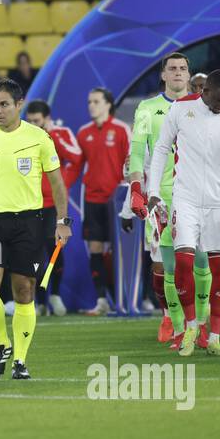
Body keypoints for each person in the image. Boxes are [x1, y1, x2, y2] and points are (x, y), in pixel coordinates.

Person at [0, 79, 72, 380]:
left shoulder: (39, 138)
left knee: (24, 290)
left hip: (29, 223)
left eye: (4, 104)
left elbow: (57, 183)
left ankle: (20, 360)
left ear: (19, 104)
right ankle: (1, 343)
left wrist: (62, 221)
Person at [146, 70, 220, 357]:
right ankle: (191, 327)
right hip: (186, 198)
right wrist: (153, 190)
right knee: (182, 260)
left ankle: (214, 337)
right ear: (206, 92)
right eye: (218, 100)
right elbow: (161, 149)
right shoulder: (181, 109)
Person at [122, 52, 205, 344]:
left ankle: (199, 323)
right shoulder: (147, 108)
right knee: (162, 266)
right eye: (172, 69)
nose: (178, 73)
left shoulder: (201, 106)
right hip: (161, 199)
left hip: (196, 195)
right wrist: (135, 189)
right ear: (163, 75)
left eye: (183, 68)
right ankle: (171, 317)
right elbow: (136, 151)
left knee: (196, 263)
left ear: (189, 73)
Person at [23, 99, 82, 316]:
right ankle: (39, 301)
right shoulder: (23, 136)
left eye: (37, 121)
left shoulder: (61, 133)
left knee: (54, 249)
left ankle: (55, 295)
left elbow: (75, 157)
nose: (33, 125)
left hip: (53, 205)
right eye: (30, 121)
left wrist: (62, 185)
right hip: (30, 204)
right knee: (34, 253)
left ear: (47, 119)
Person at [75, 87, 130, 314]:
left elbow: (131, 163)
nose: (91, 105)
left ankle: (128, 299)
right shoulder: (83, 133)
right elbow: (77, 166)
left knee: (120, 252)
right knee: (95, 248)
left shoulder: (121, 130)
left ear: (108, 104)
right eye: (89, 101)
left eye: (96, 101)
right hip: (92, 199)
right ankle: (102, 300)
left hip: (116, 200)